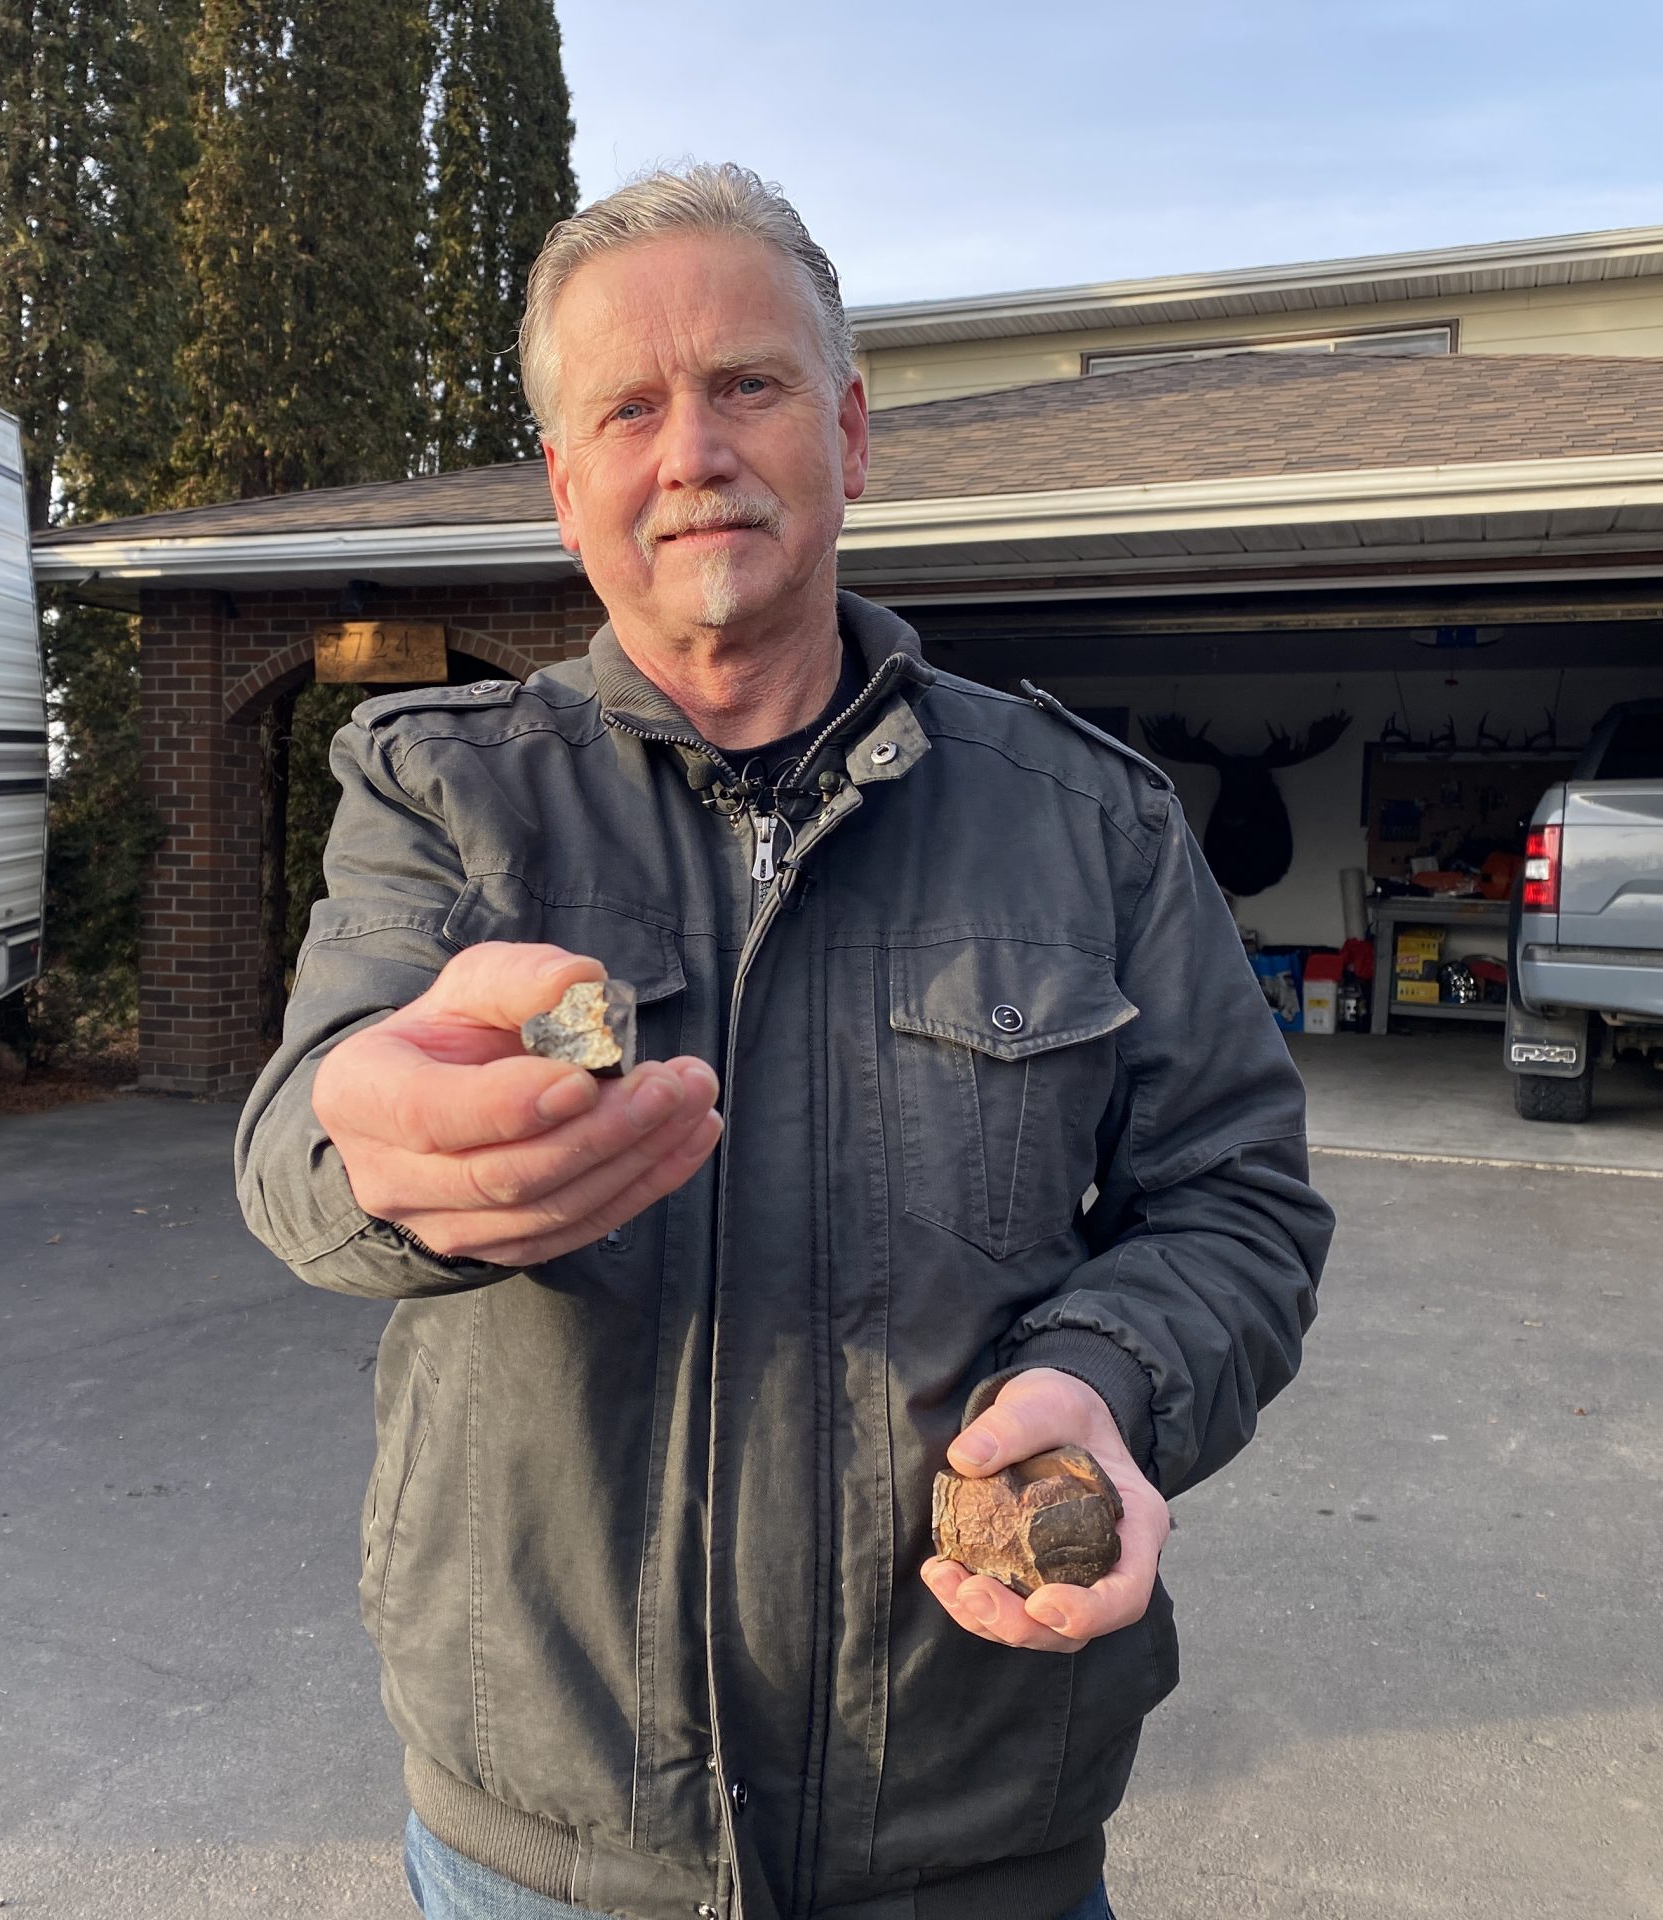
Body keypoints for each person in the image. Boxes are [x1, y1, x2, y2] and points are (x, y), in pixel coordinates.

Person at [236, 163, 1333, 1920]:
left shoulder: (1091, 825)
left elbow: (1238, 1205)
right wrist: (379, 1161)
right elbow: (305, 1141)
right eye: (628, 409)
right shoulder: (435, 791)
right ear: (567, 480)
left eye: (745, 384)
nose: (691, 452)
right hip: (547, 1838)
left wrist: (1105, 1380)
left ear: (849, 430)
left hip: (973, 1823)